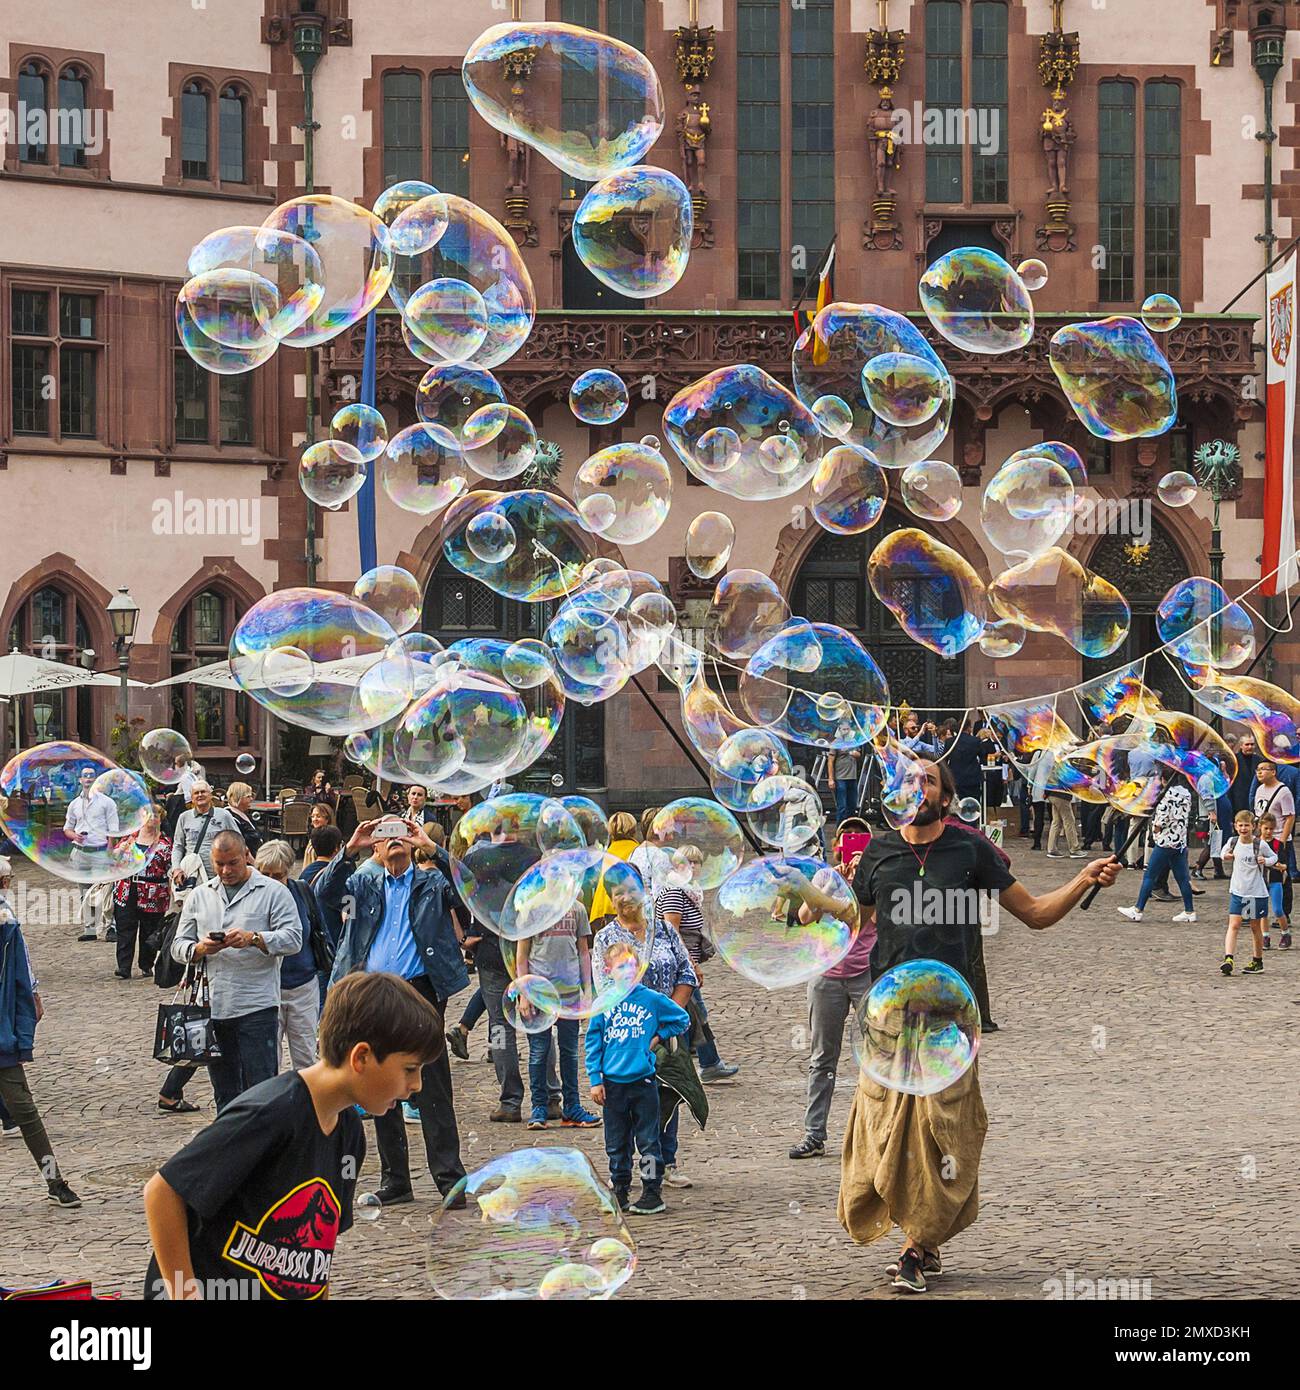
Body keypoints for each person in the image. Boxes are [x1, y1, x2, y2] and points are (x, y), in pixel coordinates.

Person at [840, 758, 1119, 1293]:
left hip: (950, 1018)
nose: (916, 786)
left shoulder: (970, 850)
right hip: (887, 1016)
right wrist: (812, 909)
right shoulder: (877, 851)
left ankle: (915, 1247)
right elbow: (854, 923)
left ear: (946, 797)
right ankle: (917, 1236)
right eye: (908, 779)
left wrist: (1083, 877)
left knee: (939, 1131)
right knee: (882, 1129)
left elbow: (1035, 913)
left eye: (928, 779)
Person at [143, 971, 441, 1300]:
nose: (417, 1086)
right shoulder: (271, 1113)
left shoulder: (350, 1136)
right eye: (410, 1069)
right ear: (362, 1057)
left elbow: (315, 1259)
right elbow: (163, 1192)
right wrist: (184, 1295)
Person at [317, 816, 469, 1206]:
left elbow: (468, 890)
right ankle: (396, 1179)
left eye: (400, 833)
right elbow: (323, 892)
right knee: (378, 1083)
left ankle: (450, 1178)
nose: (393, 840)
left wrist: (430, 847)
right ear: (376, 848)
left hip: (420, 989)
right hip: (372, 990)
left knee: (432, 1083)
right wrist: (350, 847)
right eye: (384, 835)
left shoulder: (431, 881)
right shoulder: (363, 883)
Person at [170, 829, 302, 1114]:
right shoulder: (200, 895)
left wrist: (255, 938)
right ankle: (231, 1152)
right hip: (214, 1007)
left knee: (263, 1089)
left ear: (246, 856)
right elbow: (177, 946)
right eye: (219, 864)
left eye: (232, 863)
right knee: (225, 1093)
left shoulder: (273, 891)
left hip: (257, 1005)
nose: (226, 870)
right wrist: (200, 949)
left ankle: (267, 1150)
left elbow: (293, 938)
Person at [593, 882, 699, 1190]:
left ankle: (666, 1163)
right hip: (627, 1037)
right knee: (625, 1105)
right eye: (617, 894)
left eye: (630, 891)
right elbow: (605, 992)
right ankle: (622, 1171)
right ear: (610, 900)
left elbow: (686, 972)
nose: (625, 898)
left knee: (666, 1094)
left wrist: (663, 1015)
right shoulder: (605, 938)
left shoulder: (664, 929)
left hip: (666, 1029)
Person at [0, 857, 81, 1207]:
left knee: (25, 1112)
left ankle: (54, 1180)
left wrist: (24, 1023)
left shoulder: (7, 927)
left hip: (0, 1039)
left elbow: (22, 979)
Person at [790, 846, 872, 1160]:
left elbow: (860, 922)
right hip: (826, 975)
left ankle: (875, 1130)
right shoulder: (826, 877)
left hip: (866, 973)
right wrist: (830, 883)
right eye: (850, 849)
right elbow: (805, 917)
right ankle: (814, 1134)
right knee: (822, 1057)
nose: (855, 857)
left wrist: (857, 884)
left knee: (874, 1054)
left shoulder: (876, 880)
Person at [586, 976, 691, 1215]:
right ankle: (620, 1189)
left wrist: (658, 1037)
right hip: (612, 1085)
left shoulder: (651, 999)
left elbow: (682, 1019)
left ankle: (652, 1192)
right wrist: (595, 1080)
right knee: (616, 1143)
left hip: (643, 1082)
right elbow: (593, 1042)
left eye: (629, 966)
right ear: (609, 971)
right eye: (619, 967)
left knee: (648, 1141)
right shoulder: (604, 1001)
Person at [651, 847, 738, 1083]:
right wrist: (691, 965)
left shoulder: (687, 891)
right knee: (689, 1014)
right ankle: (692, 1066)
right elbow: (673, 933)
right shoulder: (674, 893)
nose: (696, 867)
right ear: (679, 866)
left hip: (684, 962)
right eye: (691, 862)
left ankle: (708, 1063)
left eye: (698, 862)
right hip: (677, 965)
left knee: (694, 1013)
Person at [515, 902, 602, 1130]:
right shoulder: (531, 909)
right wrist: (524, 993)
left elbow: (583, 952)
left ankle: (572, 1106)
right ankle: (539, 1107)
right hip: (539, 993)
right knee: (538, 1052)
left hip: (569, 992)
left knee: (570, 1052)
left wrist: (587, 993)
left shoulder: (577, 909)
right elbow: (521, 955)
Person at [253, 841, 328, 1070]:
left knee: (305, 1056)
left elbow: (317, 929)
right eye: (265, 874)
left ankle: (306, 1104)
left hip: (303, 985)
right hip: (266, 987)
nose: (271, 881)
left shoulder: (301, 892)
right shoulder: (253, 898)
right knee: (268, 1059)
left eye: (278, 875)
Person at [1116, 769, 1196, 922]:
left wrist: (1155, 829)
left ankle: (1138, 909)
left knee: (1149, 876)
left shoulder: (1166, 795)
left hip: (1165, 842)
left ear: (1164, 779)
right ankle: (1189, 911)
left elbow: (1161, 820)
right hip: (1179, 841)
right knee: (1183, 878)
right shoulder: (1185, 793)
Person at [112, 801, 172, 980]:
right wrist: (119, 852)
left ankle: (146, 964)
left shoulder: (165, 843)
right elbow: (114, 859)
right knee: (125, 928)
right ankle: (124, 967)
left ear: (160, 819)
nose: (151, 819)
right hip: (127, 888)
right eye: (147, 815)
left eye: (155, 815)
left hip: (154, 891)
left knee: (149, 928)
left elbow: (170, 865)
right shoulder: (129, 838)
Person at [64, 763, 123, 940]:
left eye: (91, 775)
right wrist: (75, 835)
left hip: (100, 852)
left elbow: (113, 830)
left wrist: (110, 851)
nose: (88, 778)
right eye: (85, 775)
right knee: (85, 892)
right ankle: (90, 929)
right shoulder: (74, 804)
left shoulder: (107, 802)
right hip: (80, 852)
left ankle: (110, 927)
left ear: (96, 779)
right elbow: (67, 828)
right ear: (81, 780)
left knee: (105, 891)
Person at [1221, 811, 1272, 976]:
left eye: (1247, 825)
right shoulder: (1233, 841)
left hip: (1256, 892)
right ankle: (1229, 958)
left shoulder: (1260, 844)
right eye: (1240, 825)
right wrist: (1226, 856)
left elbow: (1274, 857)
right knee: (1234, 925)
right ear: (1235, 827)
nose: (1243, 828)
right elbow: (1222, 852)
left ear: (1253, 827)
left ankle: (1257, 960)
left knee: (1254, 926)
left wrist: (1266, 861)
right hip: (1238, 891)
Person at [170, 781, 239, 885]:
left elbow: (238, 841)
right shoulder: (184, 817)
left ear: (210, 795)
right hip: (191, 875)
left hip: (218, 875)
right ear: (192, 798)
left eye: (203, 792)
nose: (200, 795)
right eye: (196, 793)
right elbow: (178, 846)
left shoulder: (224, 815)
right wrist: (176, 868)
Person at [588, 812, 640, 922]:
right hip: (621, 908)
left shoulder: (608, 851)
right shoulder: (637, 850)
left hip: (600, 909)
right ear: (634, 829)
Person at [1257, 812, 1292, 950]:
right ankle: (1265, 936)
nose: (1268, 832)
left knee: (1278, 909)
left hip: (1275, 880)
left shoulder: (1278, 844)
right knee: (1262, 911)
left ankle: (1285, 934)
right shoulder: (1255, 843)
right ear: (1260, 827)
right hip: (1260, 881)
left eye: (1271, 829)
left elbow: (1284, 865)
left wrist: (1273, 864)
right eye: (1266, 828)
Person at [629, 808, 671, 902]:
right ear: (660, 829)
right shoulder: (660, 856)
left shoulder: (635, 851)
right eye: (670, 825)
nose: (674, 828)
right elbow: (660, 894)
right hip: (651, 912)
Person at [224, 782, 264, 856]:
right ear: (238, 798)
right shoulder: (231, 817)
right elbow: (239, 846)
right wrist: (255, 864)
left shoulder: (243, 814)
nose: (251, 799)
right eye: (248, 797)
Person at [828, 745, 862, 825]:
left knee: (852, 805)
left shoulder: (853, 741)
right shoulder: (837, 743)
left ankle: (849, 829)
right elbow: (830, 761)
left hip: (852, 778)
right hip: (840, 778)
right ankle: (840, 829)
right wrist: (831, 779)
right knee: (842, 806)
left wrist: (854, 753)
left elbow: (859, 754)